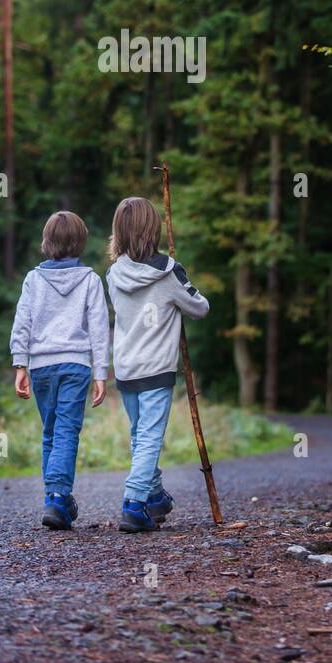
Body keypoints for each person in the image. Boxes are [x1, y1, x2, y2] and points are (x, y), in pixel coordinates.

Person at [106, 196, 209, 532]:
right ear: (154, 229)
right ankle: (134, 503)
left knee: (140, 435)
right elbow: (199, 308)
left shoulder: (114, 274)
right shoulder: (168, 272)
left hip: (126, 367)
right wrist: (182, 284)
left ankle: (153, 496)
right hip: (156, 369)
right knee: (149, 438)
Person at [11, 211, 109, 529]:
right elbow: (99, 329)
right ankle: (57, 497)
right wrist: (100, 372)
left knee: (51, 432)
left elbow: (22, 323)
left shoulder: (33, 280)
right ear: (80, 242)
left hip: (41, 366)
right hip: (76, 365)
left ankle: (55, 499)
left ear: (47, 242)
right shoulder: (90, 280)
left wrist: (20, 363)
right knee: (66, 430)